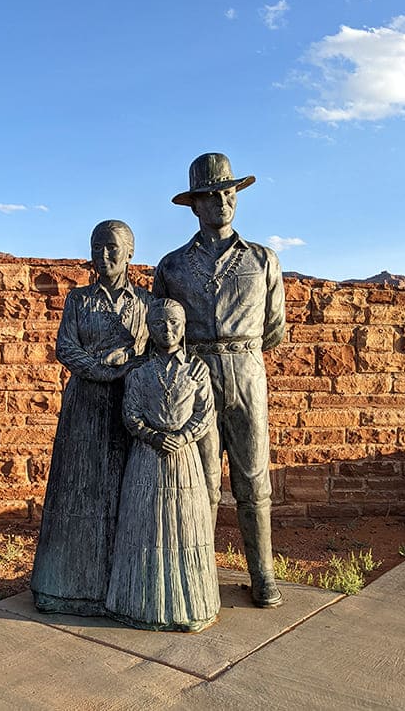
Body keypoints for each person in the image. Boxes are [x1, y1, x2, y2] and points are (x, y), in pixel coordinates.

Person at [153, 152, 286, 608]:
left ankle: (263, 574)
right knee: (204, 481)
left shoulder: (263, 260)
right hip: (197, 376)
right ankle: (200, 573)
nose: (222, 202)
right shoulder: (172, 267)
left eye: (228, 193)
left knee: (253, 479)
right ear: (195, 205)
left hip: (247, 371)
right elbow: (160, 326)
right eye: (211, 196)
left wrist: (240, 354)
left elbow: (274, 329)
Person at [31, 220, 152, 615]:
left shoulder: (146, 304)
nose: (104, 255)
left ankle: (119, 588)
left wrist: (125, 366)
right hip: (84, 403)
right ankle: (65, 587)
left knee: (123, 492)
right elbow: (65, 347)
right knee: (78, 490)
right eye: (97, 247)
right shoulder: (78, 300)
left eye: (113, 247)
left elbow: (156, 352)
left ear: (130, 252)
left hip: (127, 404)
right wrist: (101, 370)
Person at [105, 298, 220, 632]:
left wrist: (183, 437)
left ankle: (191, 605)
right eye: (158, 324)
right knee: (146, 526)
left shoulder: (197, 371)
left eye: (173, 323)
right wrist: (154, 437)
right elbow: (131, 414)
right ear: (149, 329)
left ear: (183, 327)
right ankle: (140, 604)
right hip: (147, 460)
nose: (167, 331)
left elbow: (205, 413)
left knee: (186, 527)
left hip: (184, 461)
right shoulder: (140, 373)